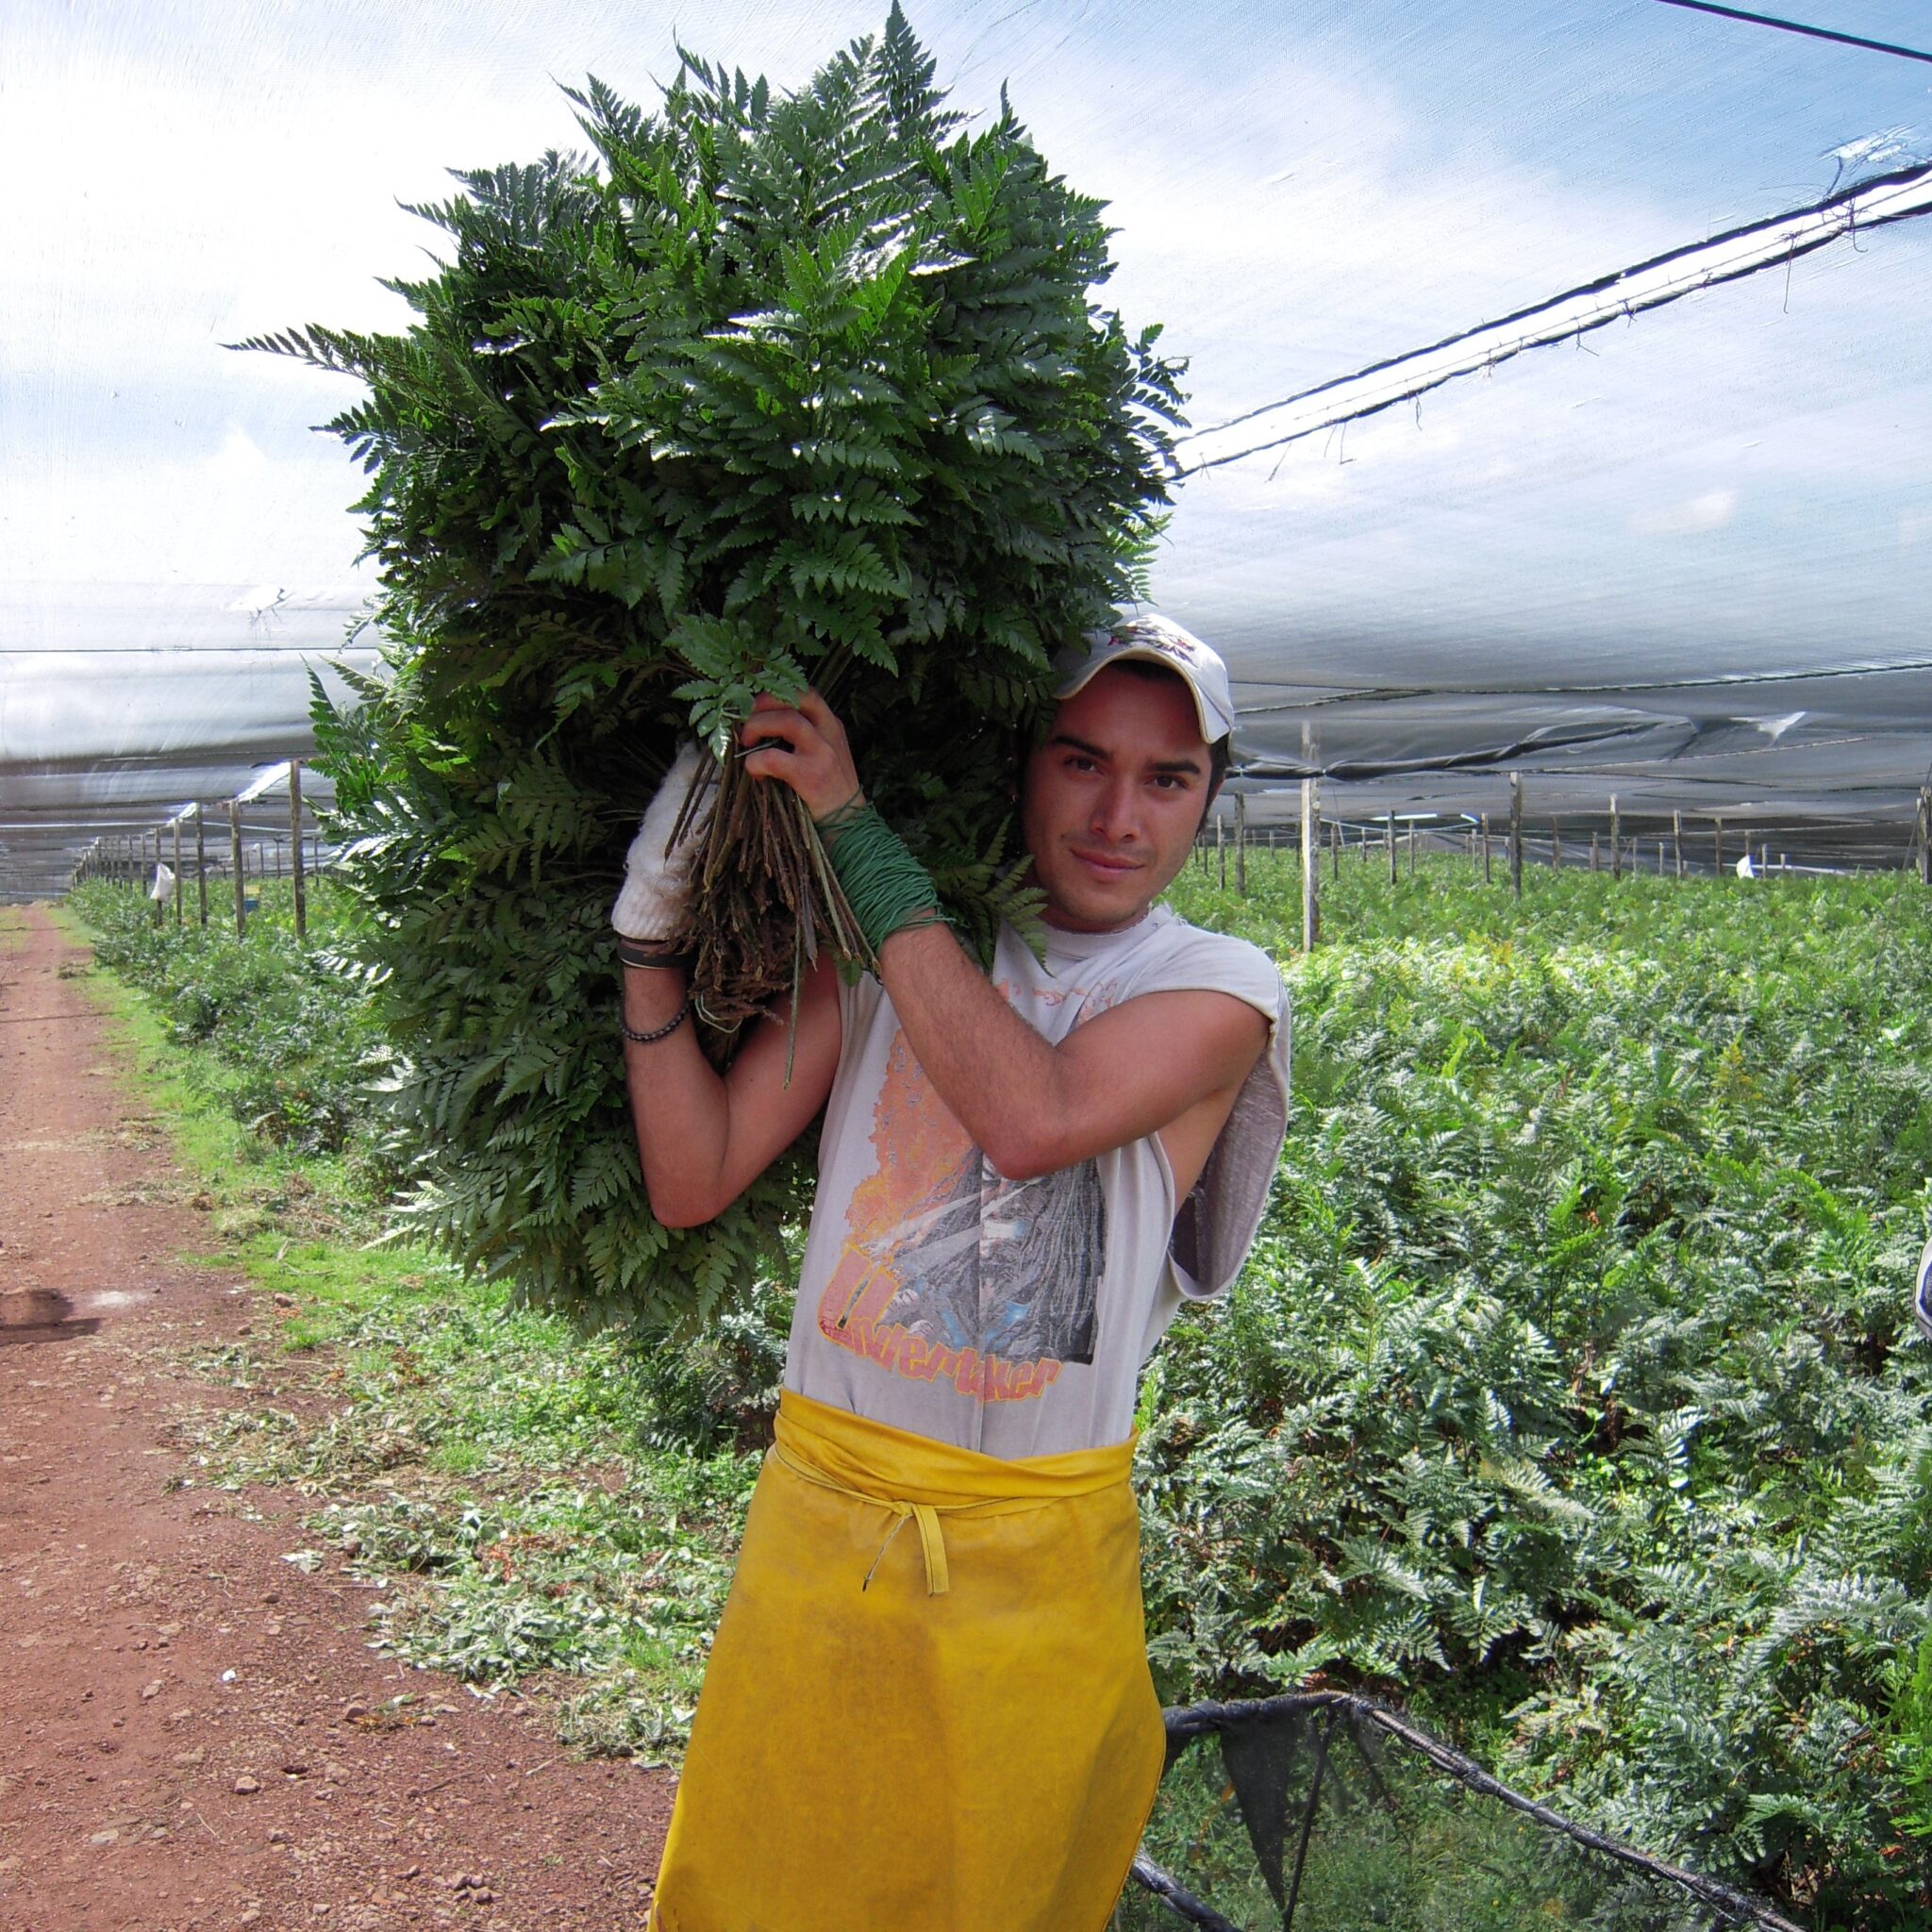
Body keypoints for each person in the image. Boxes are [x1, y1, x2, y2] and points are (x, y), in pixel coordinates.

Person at [614, 614, 1291, 1932]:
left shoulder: (1220, 989)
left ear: (1209, 802)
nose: (1118, 815)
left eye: (1169, 780)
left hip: (1035, 1568)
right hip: (827, 1540)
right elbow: (691, 1178)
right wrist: (648, 934)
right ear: (1022, 764)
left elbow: (1030, 1120)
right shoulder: (896, 950)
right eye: (1080, 760)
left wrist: (857, 833)